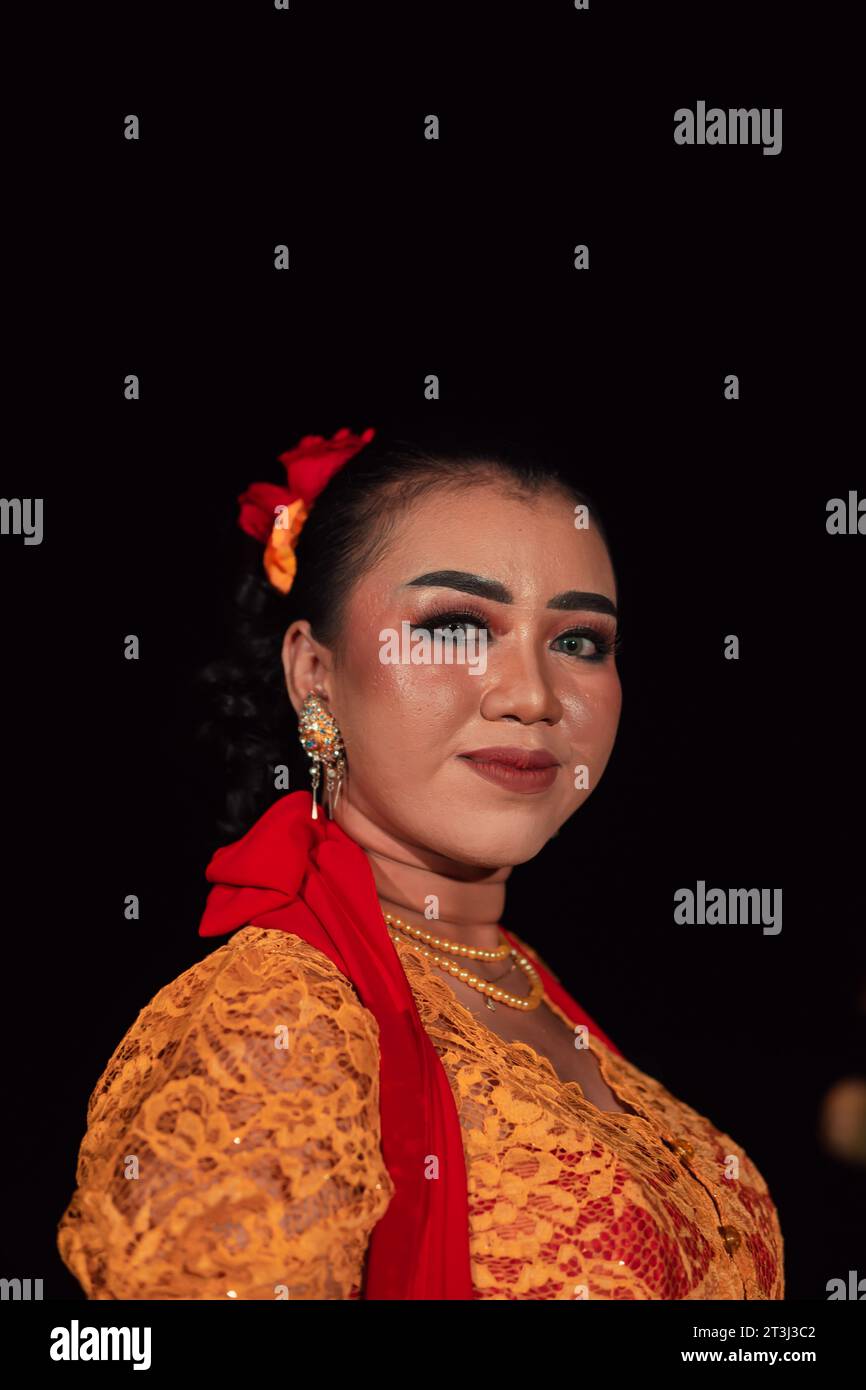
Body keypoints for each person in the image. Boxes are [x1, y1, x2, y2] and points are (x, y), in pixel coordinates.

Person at [56, 425, 784, 1300]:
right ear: (313, 674)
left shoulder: (517, 981)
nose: (531, 695)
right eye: (454, 625)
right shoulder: (276, 1018)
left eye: (580, 640)